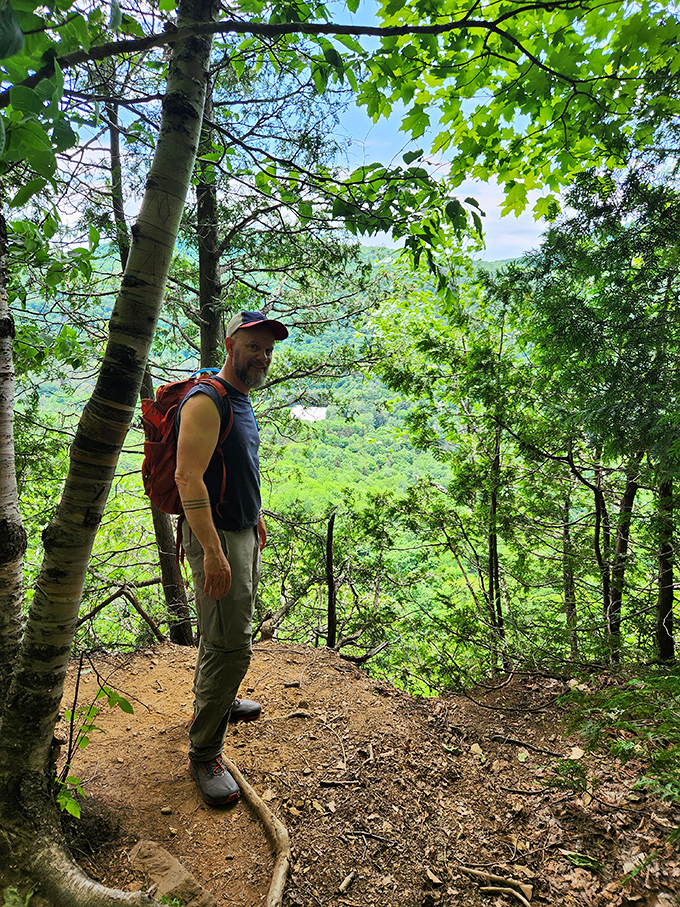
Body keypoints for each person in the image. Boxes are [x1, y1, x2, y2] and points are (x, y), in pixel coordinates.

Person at [174, 310, 288, 806]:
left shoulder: (241, 399)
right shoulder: (208, 400)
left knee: (220, 634)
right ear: (230, 344)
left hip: (240, 531)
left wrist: (255, 512)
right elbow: (187, 478)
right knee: (232, 645)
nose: (262, 356)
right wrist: (215, 553)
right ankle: (205, 752)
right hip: (215, 537)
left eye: (268, 349)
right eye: (254, 346)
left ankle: (216, 701)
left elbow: (238, 465)